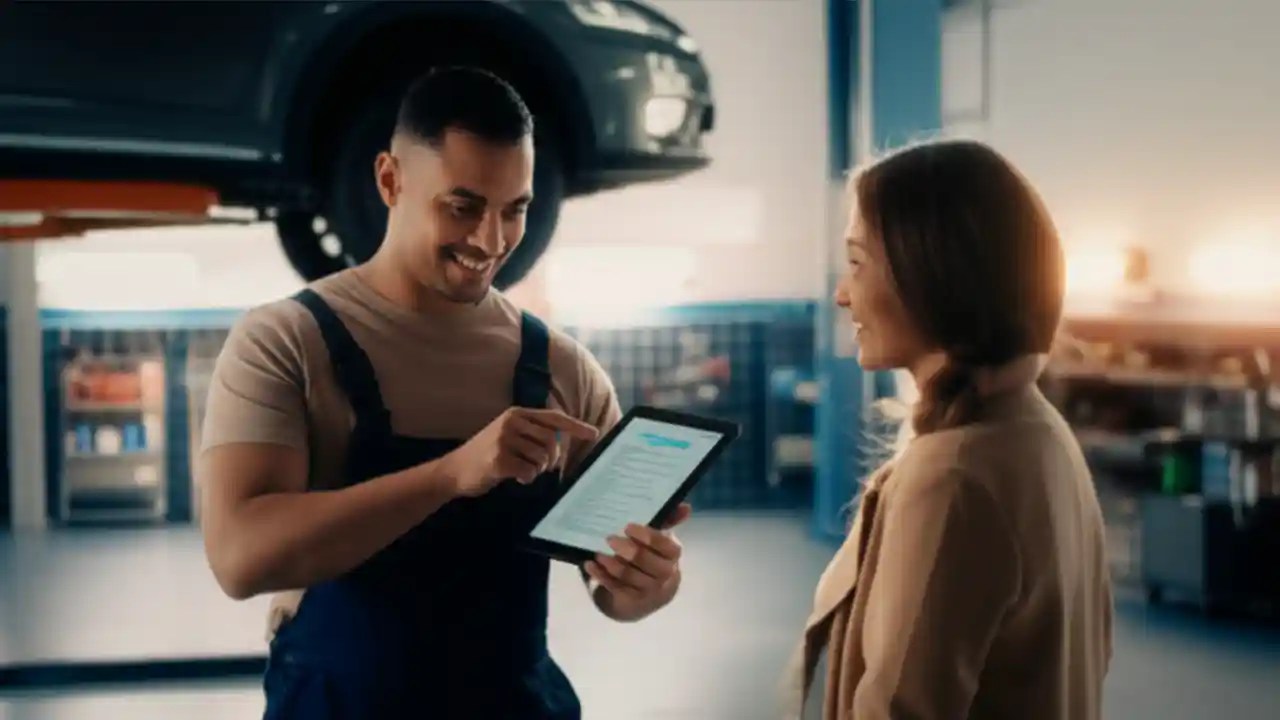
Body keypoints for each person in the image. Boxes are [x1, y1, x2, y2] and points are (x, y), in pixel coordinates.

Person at [197, 66, 690, 719]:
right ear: (390, 180)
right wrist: (452, 474)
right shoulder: (286, 342)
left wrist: (646, 584)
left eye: (516, 210)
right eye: (463, 207)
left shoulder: (564, 371)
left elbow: (610, 588)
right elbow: (239, 559)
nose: (491, 242)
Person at [785, 140, 1113, 720]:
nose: (841, 293)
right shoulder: (1037, 430)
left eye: (857, 263)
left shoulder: (951, 477)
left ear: (933, 272)